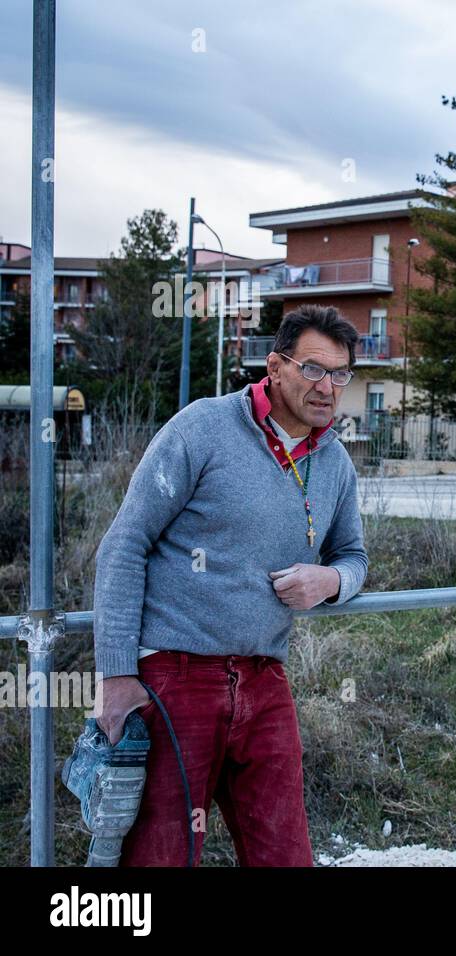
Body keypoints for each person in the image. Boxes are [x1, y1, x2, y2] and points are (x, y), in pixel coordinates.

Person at [93, 304, 369, 866]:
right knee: (162, 857)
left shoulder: (335, 461)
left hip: (265, 677)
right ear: (275, 365)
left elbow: (354, 556)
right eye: (314, 369)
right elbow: (125, 545)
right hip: (174, 676)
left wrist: (331, 580)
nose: (329, 388)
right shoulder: (203, 428)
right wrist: (117, 676)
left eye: (341, 374)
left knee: (285, 856)